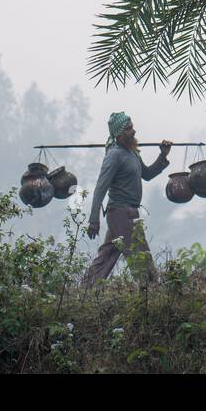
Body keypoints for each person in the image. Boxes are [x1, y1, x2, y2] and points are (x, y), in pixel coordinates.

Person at [81, 112, 172, 286]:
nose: (134, 131)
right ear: (119, 134)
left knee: (108, 254)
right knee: (140, 255)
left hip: (129, 213)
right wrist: (94, 220)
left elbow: (147, 174)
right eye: (129, 129)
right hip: (121, 214)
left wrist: (163, 156)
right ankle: (150, 293)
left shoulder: (132, 153)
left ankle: (85, 290)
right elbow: (100, 188)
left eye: (132, 127)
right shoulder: (114, 155)